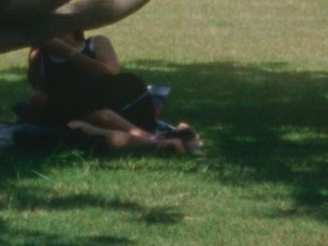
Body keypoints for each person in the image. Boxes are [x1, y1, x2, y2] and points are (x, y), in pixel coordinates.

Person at [15, 33, 199, 155]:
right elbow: (40, 88)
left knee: (96, 115)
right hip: (73, 110)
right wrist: (38, 91)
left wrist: (67, 52)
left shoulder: (96, 43)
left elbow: (111, 75)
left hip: (113, 100)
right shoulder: (40, 54)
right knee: (82, 128)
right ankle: (158, 142)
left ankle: (152, 137)